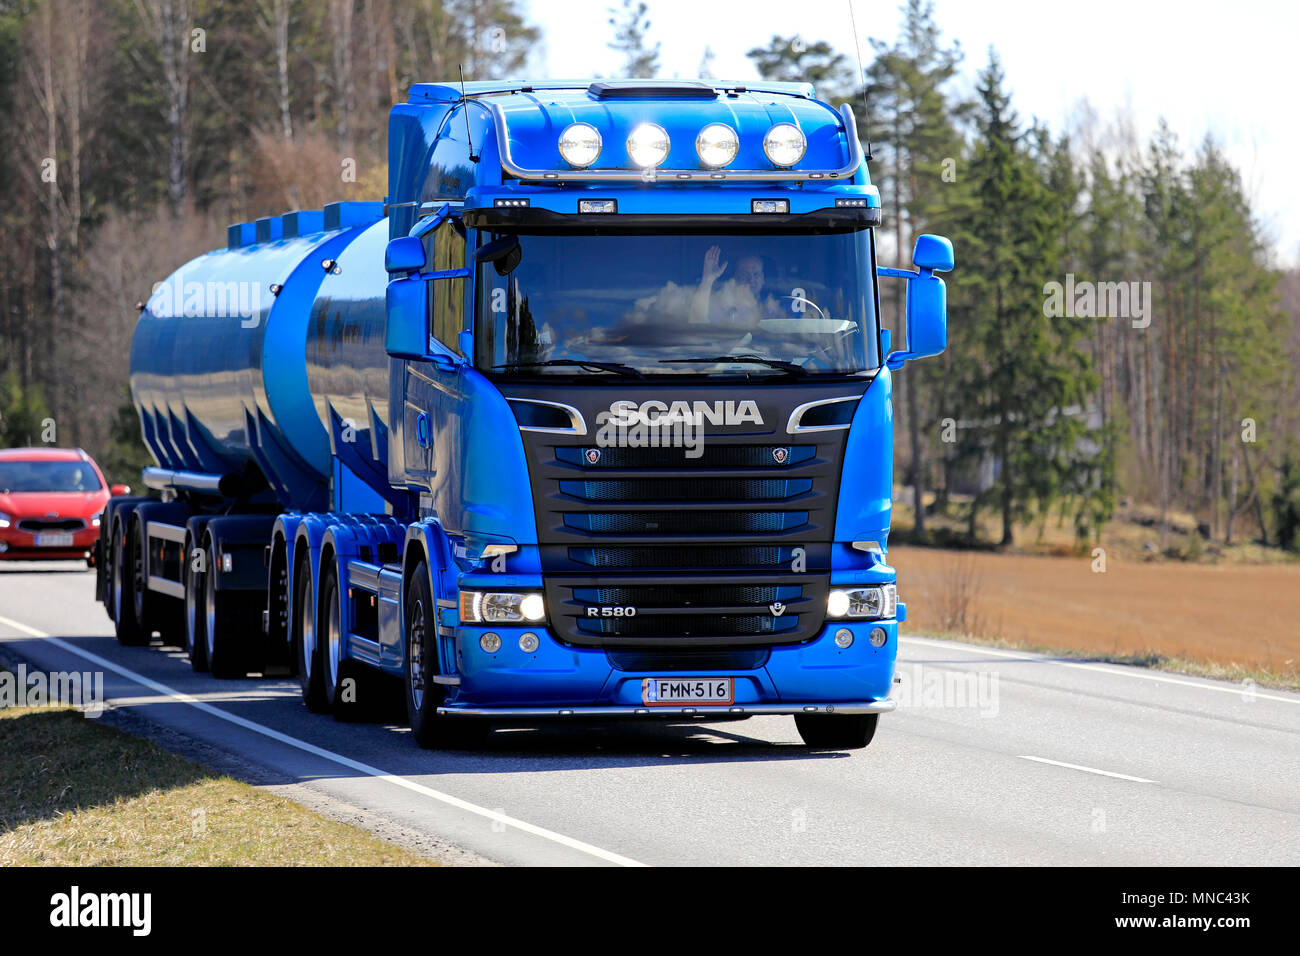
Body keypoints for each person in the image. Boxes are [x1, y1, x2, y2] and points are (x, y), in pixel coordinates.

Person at [689, 245, 789, 326]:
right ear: (734, 279)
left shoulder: (773, 308)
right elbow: (697, 324)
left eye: (756, 274)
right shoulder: (721, 305)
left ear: (763, 279)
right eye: (744, 274)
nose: (751, 280)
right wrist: (707, 280)